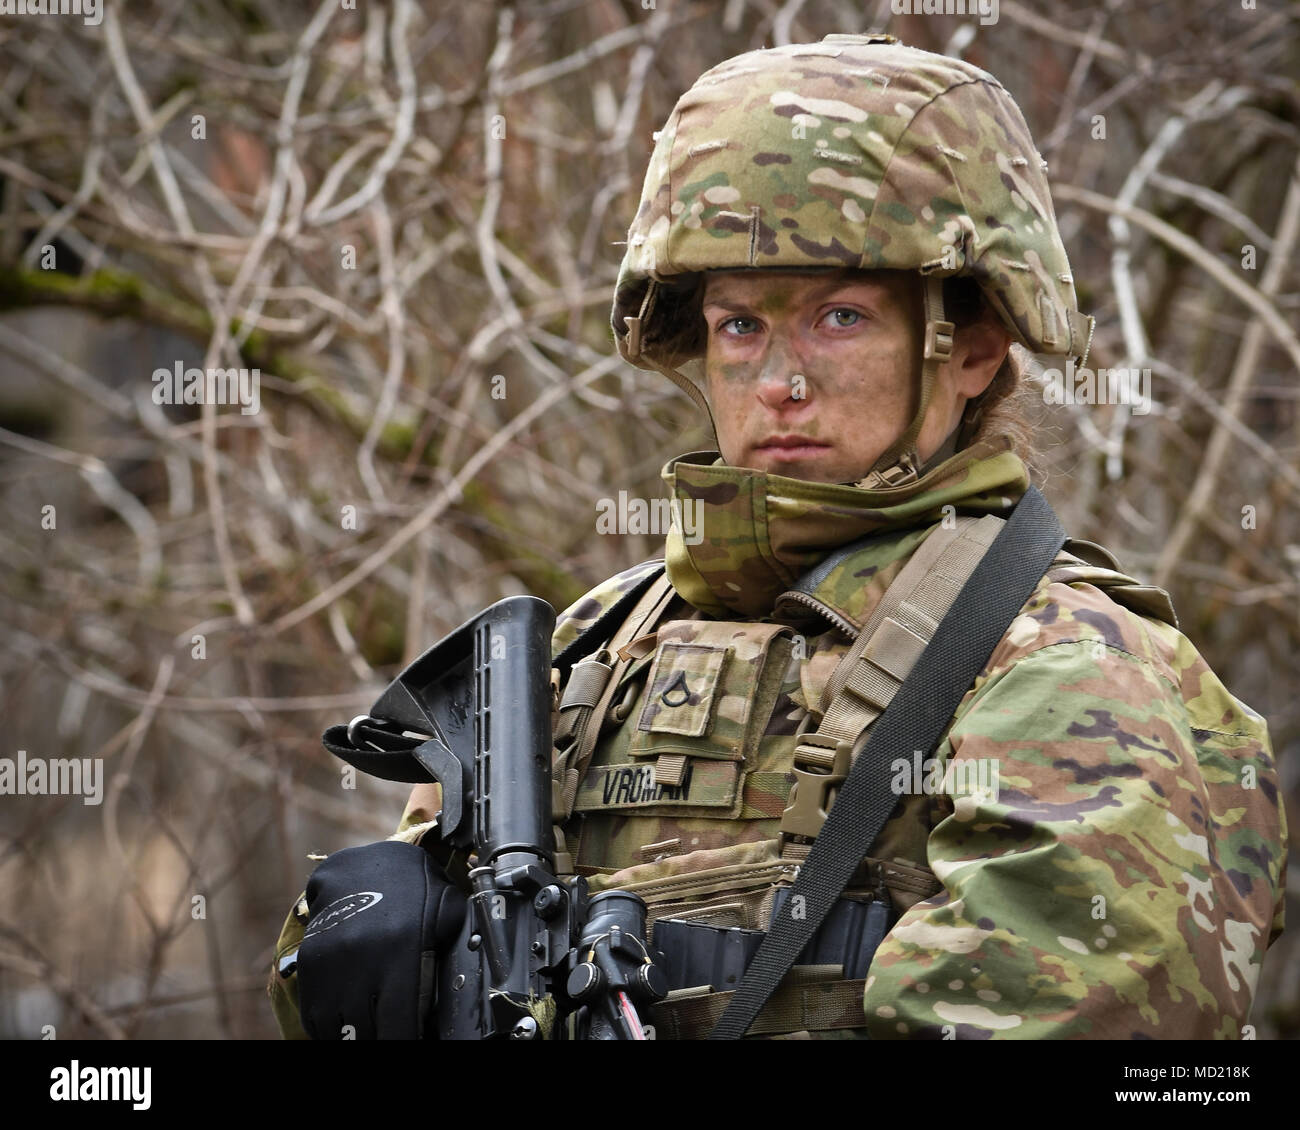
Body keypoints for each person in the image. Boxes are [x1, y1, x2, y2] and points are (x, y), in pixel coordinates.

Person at [269, 33, 1286, 1040]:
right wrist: (373, 958)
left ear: (974, 348)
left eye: (839, 317)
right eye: (740, 324)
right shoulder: (590, 649)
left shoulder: (1066, 666)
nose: (777, 380)